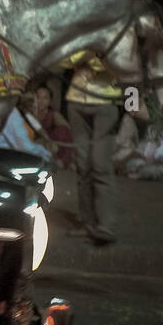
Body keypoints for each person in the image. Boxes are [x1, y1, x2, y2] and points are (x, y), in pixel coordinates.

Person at [59, 45, 122, 244]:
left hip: (106, 103)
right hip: (76, 101)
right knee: (82, 165)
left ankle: (105, 225)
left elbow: (119, 64)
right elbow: (63, 59)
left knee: (100, 165)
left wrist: (91, 59)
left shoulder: (116, 32)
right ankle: (87, 224)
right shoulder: (82, 32)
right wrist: (88, 54)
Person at [127, 99, 163, 182]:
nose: (161, 114)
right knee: (135, 163)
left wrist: (147, 164)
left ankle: (139, 173)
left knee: (149, 169)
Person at [33, 84, 74, 168]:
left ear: (50, 101)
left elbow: (67, 130)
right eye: (38, 97)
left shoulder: (52, 114)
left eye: (45, 98)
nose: (41, 100)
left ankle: (63, 161)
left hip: (51, 144)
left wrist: (52, 142)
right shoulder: (28, 112)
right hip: (34, 143)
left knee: (63, 131)